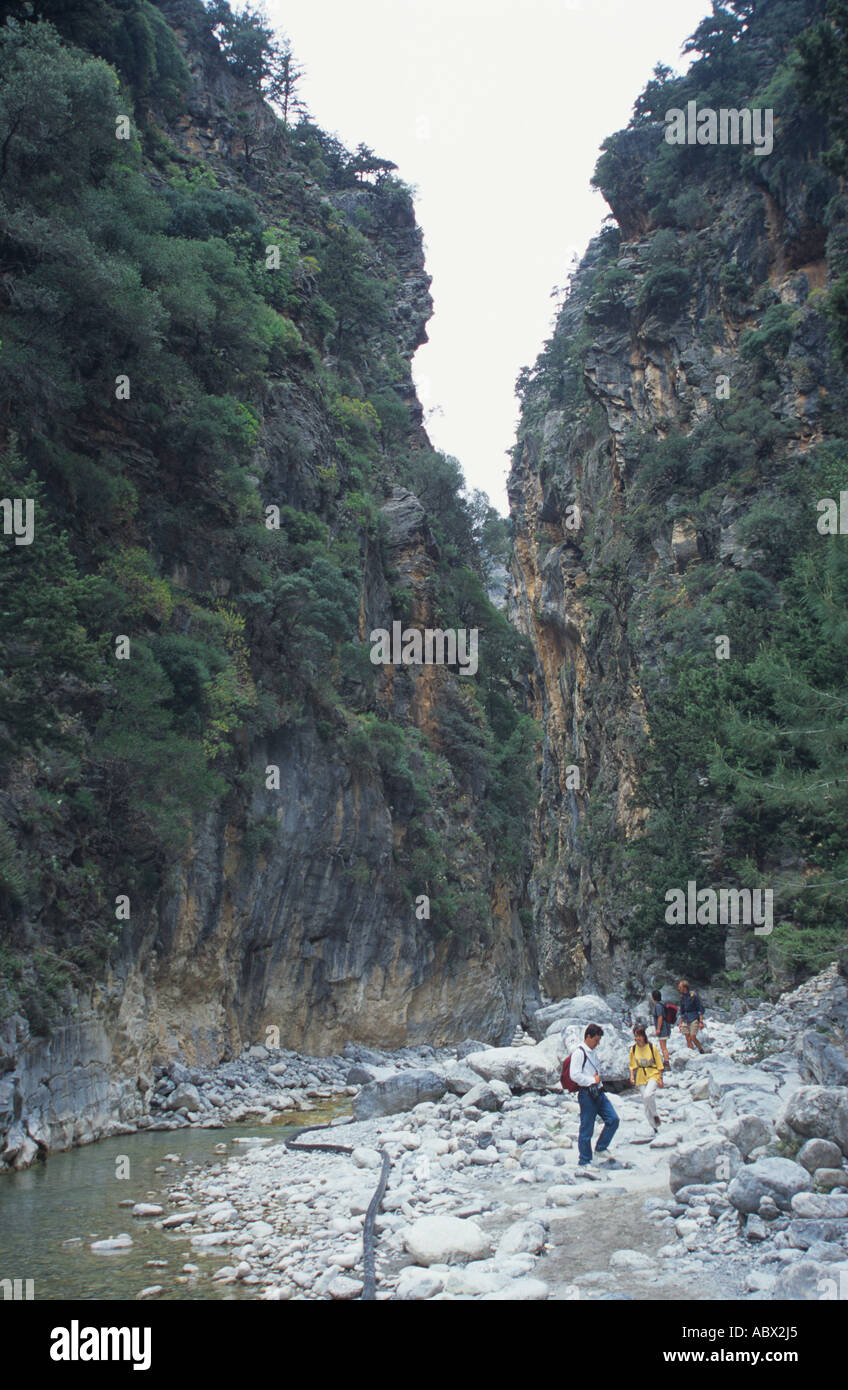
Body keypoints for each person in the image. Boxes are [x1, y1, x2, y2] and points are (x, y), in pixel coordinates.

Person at [570, 1024, 620, 1169]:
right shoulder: (579, 1053)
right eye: (596, 1040)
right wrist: (592, 1081)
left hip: (598, 1092)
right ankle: (584, 1160)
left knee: (613, 1119)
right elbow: (574, 1075)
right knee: (587, 1128)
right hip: (587, 1093)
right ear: (588, 1037)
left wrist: (598, 1083)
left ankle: (600, 1148)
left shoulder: (592, 1052)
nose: (597, 1044)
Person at [629, 1022, 664, 1131]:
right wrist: (631, 1076)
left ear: (644, 1036)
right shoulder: (633, 1049)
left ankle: (655, 1114)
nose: (637, 1038)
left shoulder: (651, 1047)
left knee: (648, 1095)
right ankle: (654, 1127)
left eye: (639, 1035)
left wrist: (661, 1079)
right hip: (640, 1076)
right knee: (646, 1104)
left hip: (652, 1073)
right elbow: (631, 1065)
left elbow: (659, 1063)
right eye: (636, 1036)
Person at [678, 979, 705, 1053]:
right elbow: (682, 1011)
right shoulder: (682, 997)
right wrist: (680, 1023)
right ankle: (691, 1052)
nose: (679, 988)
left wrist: (701, 1022)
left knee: (693, 1037)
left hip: (694, 1018)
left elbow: (700, 1009)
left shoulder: (693, 996)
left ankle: (701, 1049)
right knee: (687, 1037)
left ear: (685, 987)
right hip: (686, 1019)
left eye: (680, 986)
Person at [650, 988, 671, 1068]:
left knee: (663, 1047)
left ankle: (666, 1063)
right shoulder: (662, 1004)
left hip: (663, 1029)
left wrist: (658, 1029)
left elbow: (660, 1017)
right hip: (665, 1027)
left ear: (653, 997)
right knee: (663, 1046)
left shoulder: (658, 1006)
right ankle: (666, 1062)